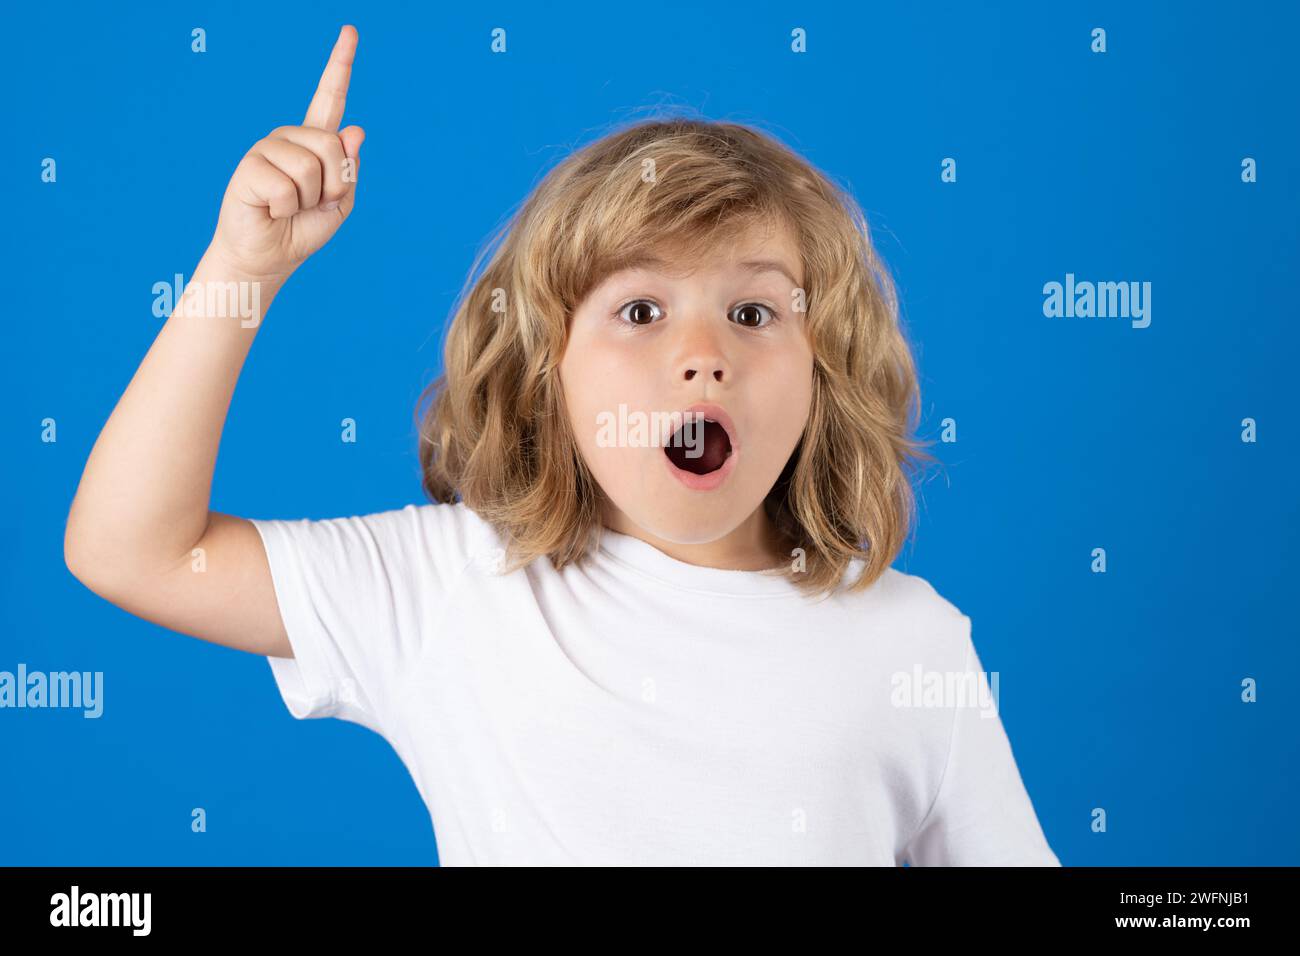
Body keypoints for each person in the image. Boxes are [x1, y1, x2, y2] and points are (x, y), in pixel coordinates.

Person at [63, 25, 1059, 866]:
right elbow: (130, 548)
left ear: (821, 373)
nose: (702, 356)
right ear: (550, 376)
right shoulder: (450, 587)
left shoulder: (910, 639)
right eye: (639, 309)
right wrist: (243, 265)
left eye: (753, 310)